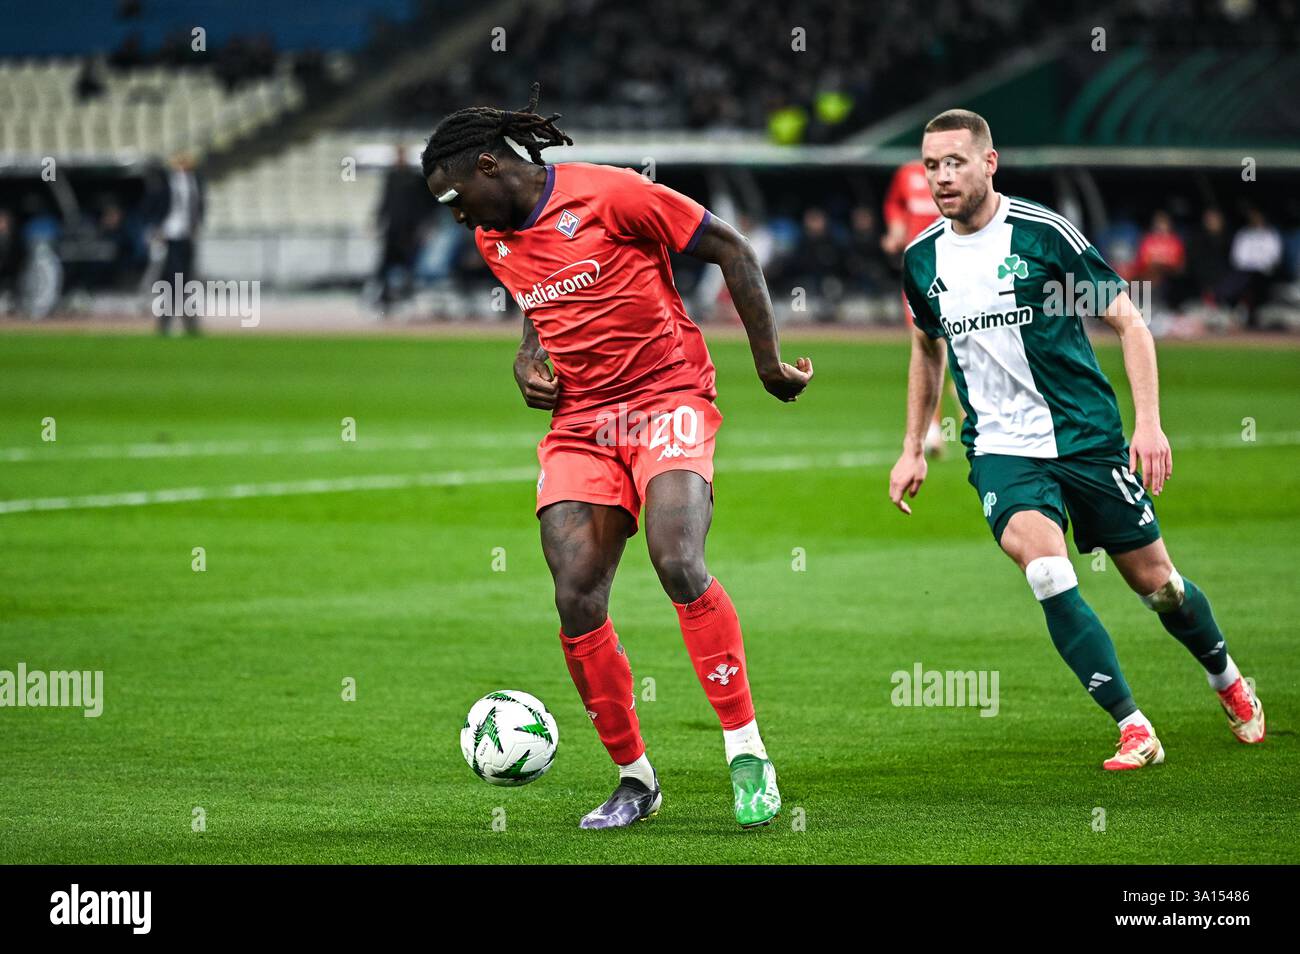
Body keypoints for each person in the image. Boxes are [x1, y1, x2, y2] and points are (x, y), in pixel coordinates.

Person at [421, 85, 812, 828]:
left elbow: (730, 248)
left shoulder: (615, 193)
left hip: (668, 396)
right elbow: (541, 305)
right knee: (575, 592)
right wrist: (525, 359)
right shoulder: (493, 237)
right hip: (582, 422)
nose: (458, 216)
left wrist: (767, 363)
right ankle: (635, 779)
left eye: (456, 197)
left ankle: (746, 750)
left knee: (677, 559)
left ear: (488, 165)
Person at [888, 109, 1264, 771]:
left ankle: (1226, 675)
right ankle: (1134, 727)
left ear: (989, 162)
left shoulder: (1043, 236)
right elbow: (926, 350)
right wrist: (913, 443)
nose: (943, 177)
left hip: (1086, 437)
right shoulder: (923, 259)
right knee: (1047, 569)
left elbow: (1131, 324)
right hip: (1001, 447)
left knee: (1159, 587)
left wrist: (1148, 424)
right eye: (932, 166)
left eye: (956, 163)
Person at [883, 159, 950, 456]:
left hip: (957, 269)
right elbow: (894, 204)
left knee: (963, 344)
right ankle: (933, 430)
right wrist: (896, 230)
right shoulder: (908, 173)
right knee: (927, 346)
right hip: (919, 272)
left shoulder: (960, 175)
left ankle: (968, 416)